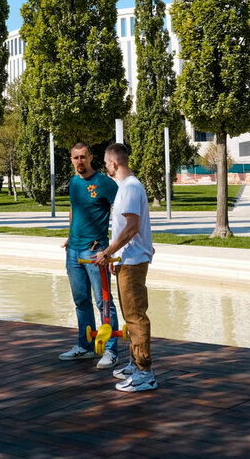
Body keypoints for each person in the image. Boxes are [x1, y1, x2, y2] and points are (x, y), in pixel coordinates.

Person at [94, 142, 157, 392]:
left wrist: (108, 252)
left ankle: (145, 372)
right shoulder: (126, 187)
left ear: (113, 163)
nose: (106, 167)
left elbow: (132, 227)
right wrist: (115, 257)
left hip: (132, 262)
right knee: (130, 316)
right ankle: (135, 363)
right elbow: (127, 228)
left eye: (106, 163)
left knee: (136, 317)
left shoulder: (130, 187)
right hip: (126, 260)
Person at [58, 142, 120, 368]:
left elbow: (122, 213)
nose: (79, 162)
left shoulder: (104, 183)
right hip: (73, 251)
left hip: (96, 251)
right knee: (80, 300)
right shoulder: (74, 182)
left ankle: (111, 350)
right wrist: (70, 234)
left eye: (83, 157)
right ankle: (84, 346)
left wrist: (113, 247)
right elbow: (74, 208)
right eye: (75, 158)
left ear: (91, 157)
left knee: (103, 302)